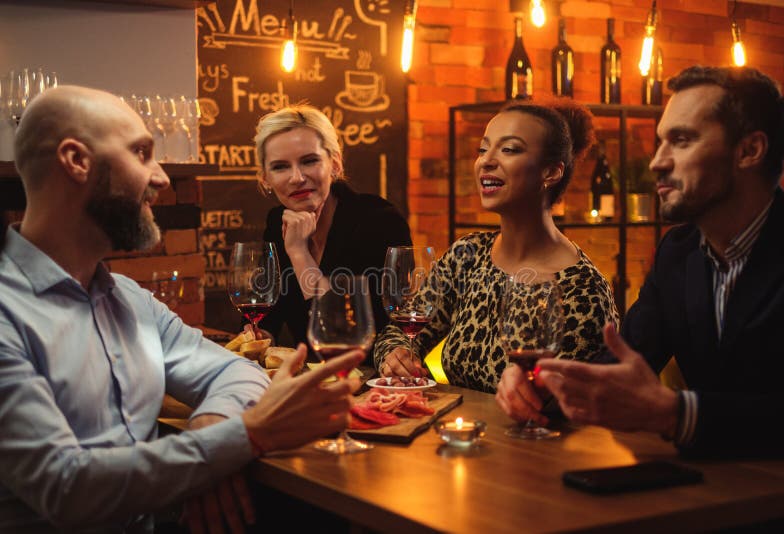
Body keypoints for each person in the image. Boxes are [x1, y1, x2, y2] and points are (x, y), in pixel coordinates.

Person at [0, 85, 364, 533]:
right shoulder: (8, 315)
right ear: (77, 162)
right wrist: (243, 437)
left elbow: (236, 370)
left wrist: (207, 443)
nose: (162, 178)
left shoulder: (130, 301)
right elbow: (67, 488)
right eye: (141, 153)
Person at [499, 66, 784, 458]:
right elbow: (625, 358)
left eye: (681, 140)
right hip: (706, 492)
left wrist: (677, 414)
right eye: (661, 142)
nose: (657, 161)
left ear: (749, 151)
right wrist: (546, 385)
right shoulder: (679, 252)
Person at [374, 99, 619, 393]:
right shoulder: (467, 255)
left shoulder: (583, 289)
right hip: (457, 434)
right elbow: (397, 331)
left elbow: (575, 403)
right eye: (483, 149)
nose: (486, 161)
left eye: (509, 149)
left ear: (551, 172)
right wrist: (395, 356)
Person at [252, 104, 412, 364]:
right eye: (280, 167)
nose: (296, 177)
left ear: (335, 163)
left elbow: (341, 332)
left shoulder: (380, 221)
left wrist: (299, 252)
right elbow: (267, 314)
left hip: (378, 380)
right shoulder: (276, 222)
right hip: (312, 382)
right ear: (265, 178)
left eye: (309, 161)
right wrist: (254, 337)